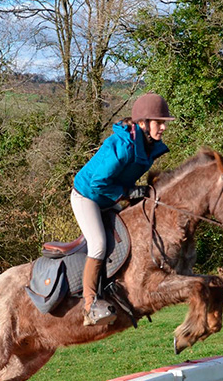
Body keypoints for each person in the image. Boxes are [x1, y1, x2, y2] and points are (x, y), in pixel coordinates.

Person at [72, 92, 174, 326]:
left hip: (108, 195)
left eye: (164, 123)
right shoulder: (123, 145)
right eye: (159, 122)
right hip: (87, 196)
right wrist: (126, 193)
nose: (163, 128)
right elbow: (98, 182)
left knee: (131, 235)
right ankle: (89, 306)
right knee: (98, 244)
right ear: (143, 123)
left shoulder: (147, 145)